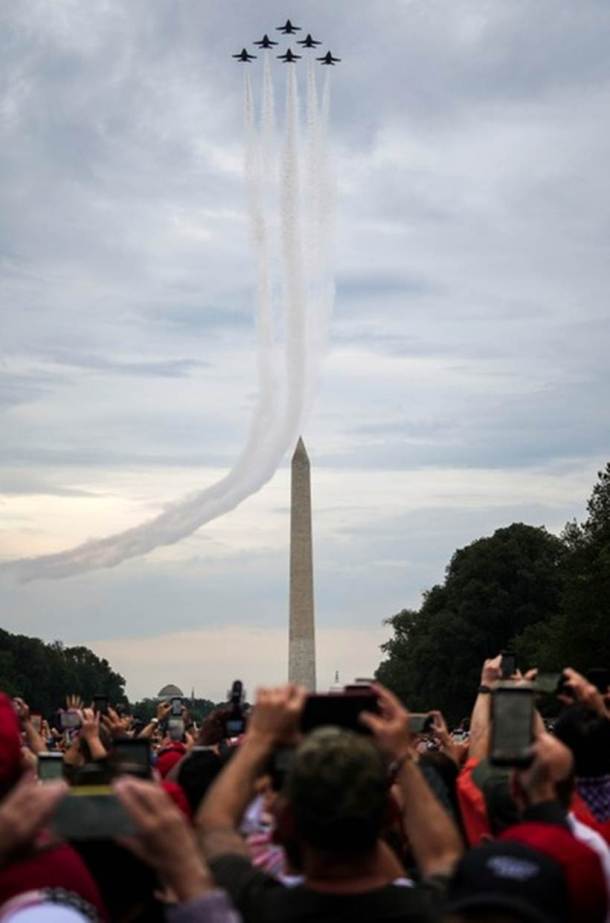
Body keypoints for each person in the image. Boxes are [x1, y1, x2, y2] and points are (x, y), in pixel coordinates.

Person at [196, 683, 464, 922]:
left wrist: (259, 739)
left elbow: (215, 826)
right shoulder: (436, 910)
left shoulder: (253, 908)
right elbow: (442, 856)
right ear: (391, 814)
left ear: (281, 825)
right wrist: (401, 756)